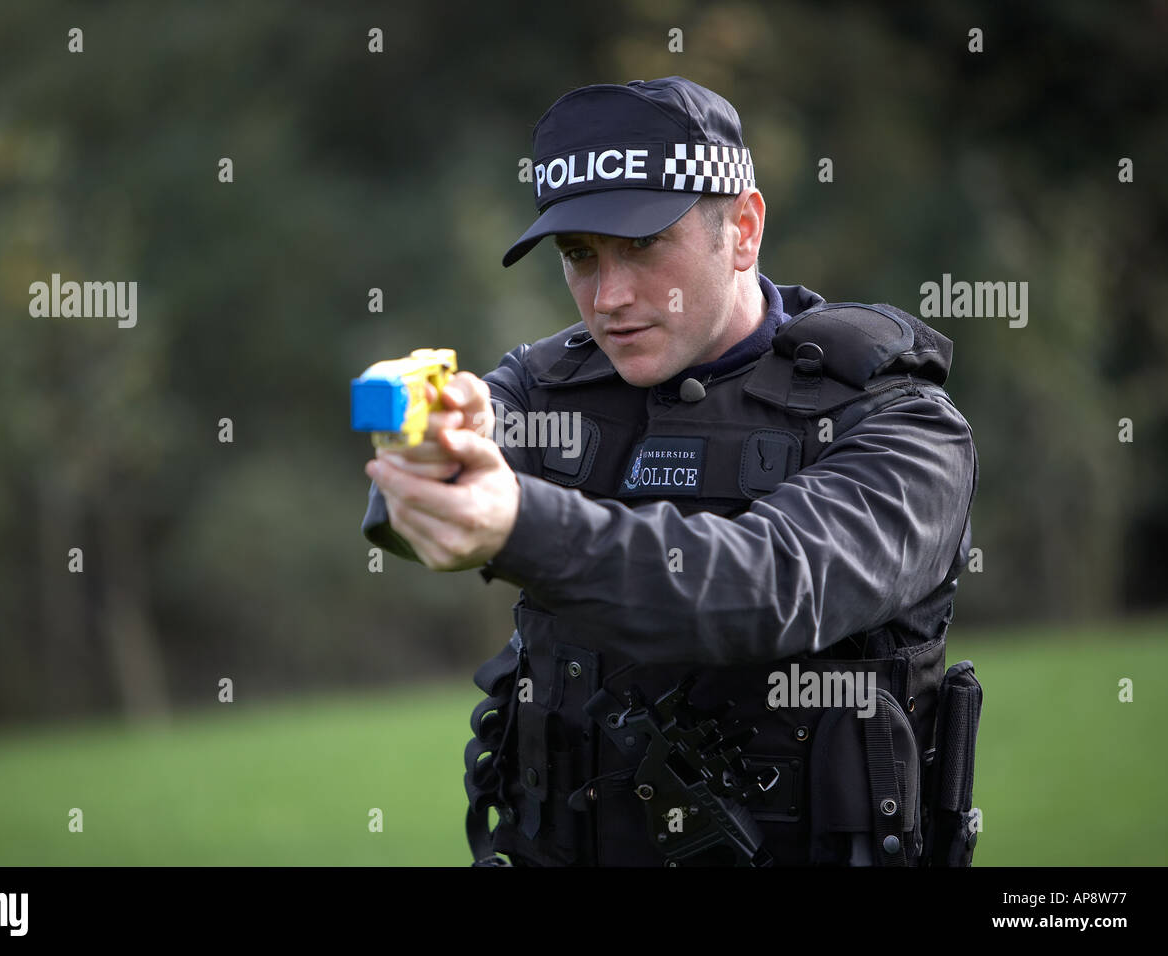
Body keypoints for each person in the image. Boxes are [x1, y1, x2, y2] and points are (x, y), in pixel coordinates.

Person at [361, 76, 982, 867]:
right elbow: (406, 512)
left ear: (745, 231)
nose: (609, 296)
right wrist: (424, 455)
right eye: (579, 256)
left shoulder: (899, 420)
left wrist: (517, 521)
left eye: (645, 245)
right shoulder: (545, 385)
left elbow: (764, 588)